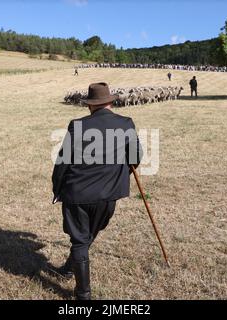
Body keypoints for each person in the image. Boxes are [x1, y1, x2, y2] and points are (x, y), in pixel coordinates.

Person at [51, 83, 143, 300]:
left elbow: (62, 162)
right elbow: (136, 158)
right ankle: (71, 266)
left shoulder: (77, 125)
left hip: (77, 194)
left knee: (80, 240)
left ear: (90, 105)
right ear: (110, 101)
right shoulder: (126, 123)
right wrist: (117, 177)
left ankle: (83, 294)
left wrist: (57, 187)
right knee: (85, 236)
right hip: (108, 195)